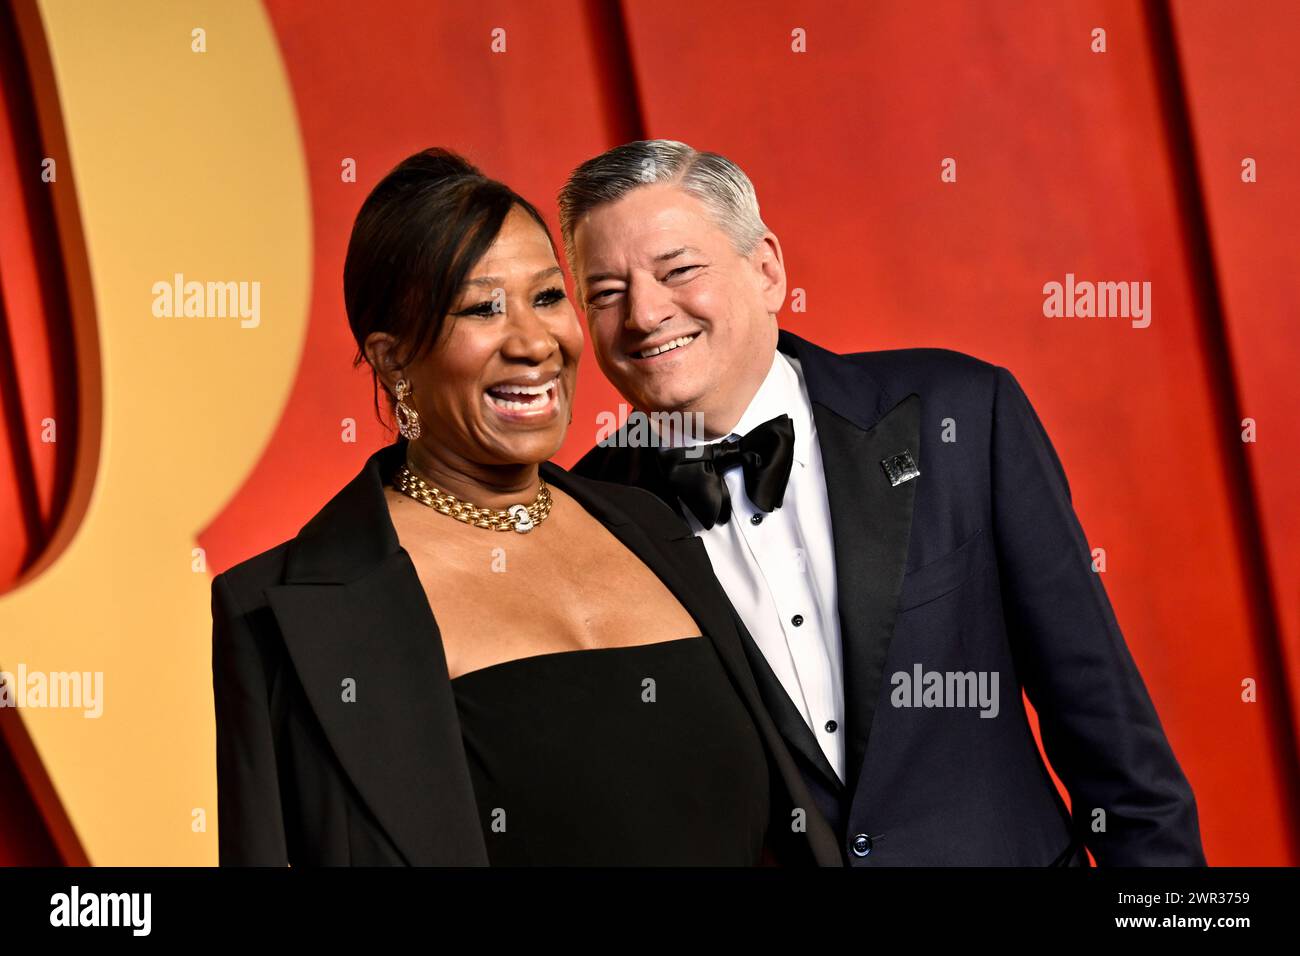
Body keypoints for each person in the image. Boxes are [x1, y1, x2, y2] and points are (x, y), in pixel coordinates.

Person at [562, 139, 1207, 866]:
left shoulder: (960, 413)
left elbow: (1108, 734)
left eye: (678, 270)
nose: (644, 314)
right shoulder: (585, 520)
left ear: (767, 269)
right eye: (605, 294)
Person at [210, 147, 841, 866]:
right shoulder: (281, 613)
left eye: (547, 297)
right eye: (482, 308)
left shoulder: (652, 524)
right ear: (390, 358)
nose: (535, 343)